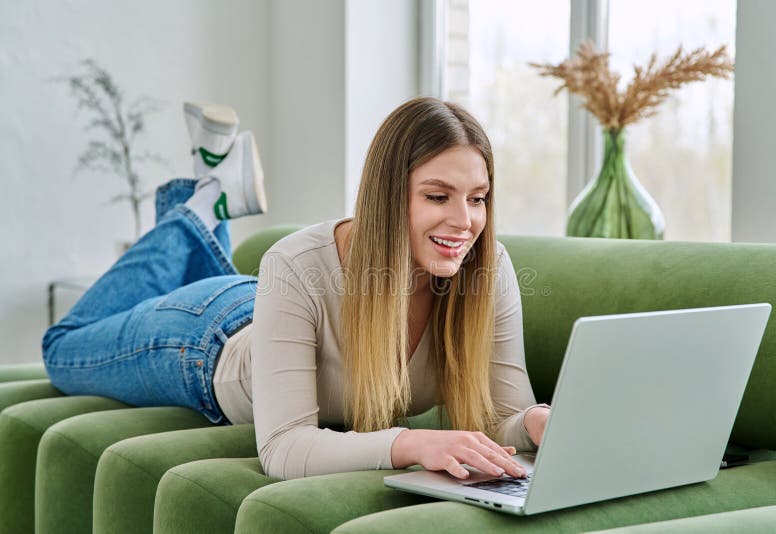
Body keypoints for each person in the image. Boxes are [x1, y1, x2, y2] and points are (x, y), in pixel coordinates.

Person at [42, 97, 550, 482]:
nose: (465, 222)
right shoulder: (293, 263)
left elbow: (501, 417)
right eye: (438, 196)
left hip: (265, 308)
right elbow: (283, 447)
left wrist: (533, 422)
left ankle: (211, 182)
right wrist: (413, 443)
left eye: (478, 199)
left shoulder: (486, 268)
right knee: (63, 346)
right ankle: (205, 200)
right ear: (388, 196)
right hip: (206, 341)